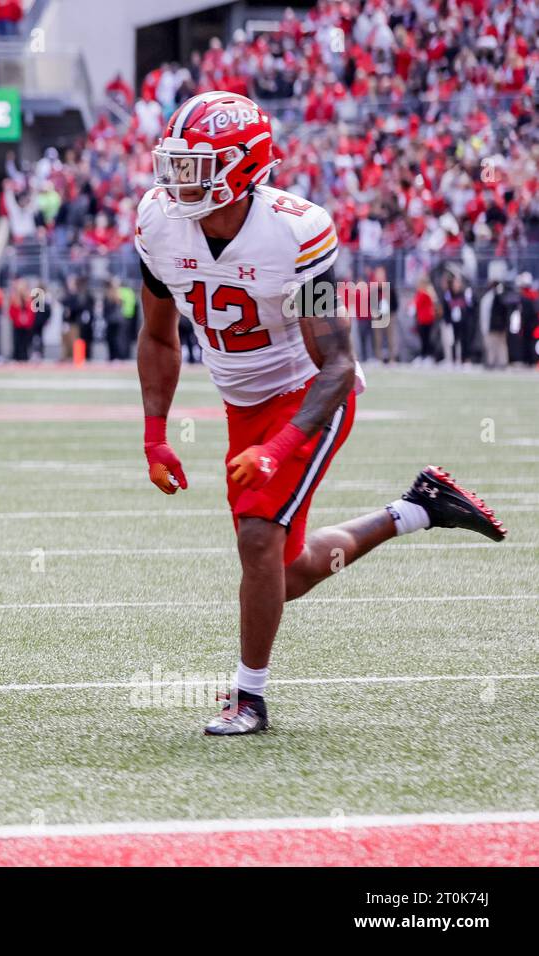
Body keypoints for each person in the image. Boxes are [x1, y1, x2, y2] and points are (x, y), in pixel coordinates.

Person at [135, 91, 506, 737]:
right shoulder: (157, 223)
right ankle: (416, 508)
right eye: (176, 164)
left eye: (196, 167)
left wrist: (279, 447)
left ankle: (248, 699)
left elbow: (336, 366)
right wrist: (155, 435)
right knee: (285, 572)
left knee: (257, 541)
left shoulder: (293, 230)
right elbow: (158, 336)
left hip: (306, 397)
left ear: (243, 167)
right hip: (239, 404)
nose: (177, 181)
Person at [412, 275, 440, 363]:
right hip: (422, 319)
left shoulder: (426, 294)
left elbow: (417, 304)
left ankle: (427, 356)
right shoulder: (422, 293)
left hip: (427, 319)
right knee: (423, 339)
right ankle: (423, 355)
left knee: (426, 339)